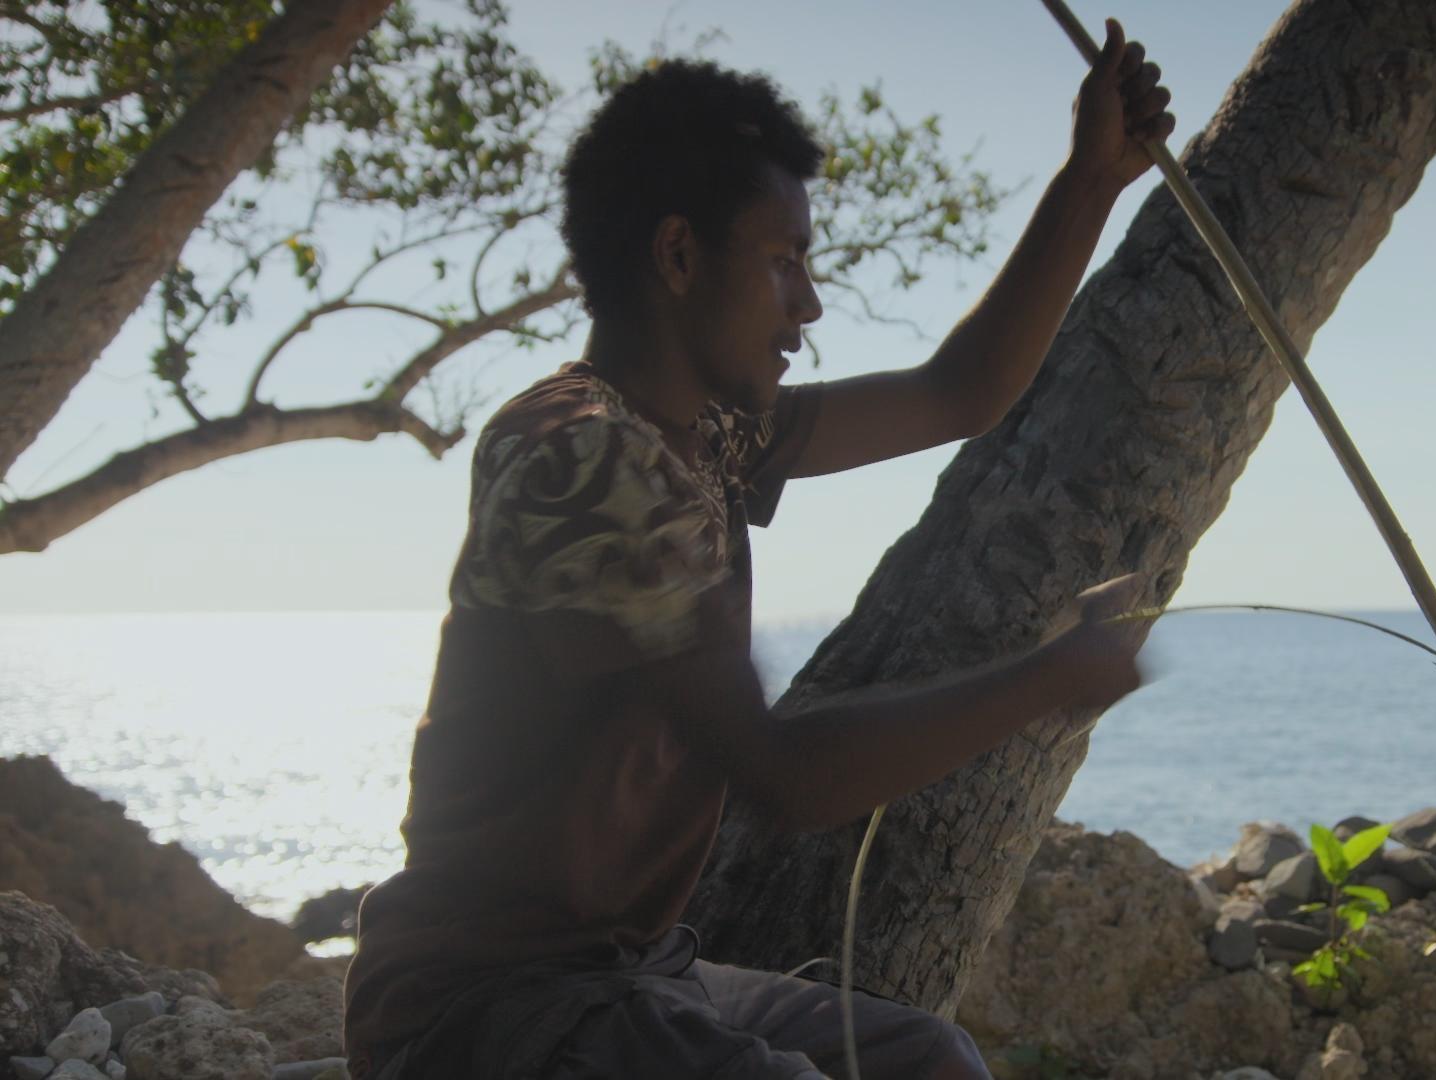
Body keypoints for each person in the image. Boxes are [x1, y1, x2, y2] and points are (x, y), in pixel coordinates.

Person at [342, 19, 1173, 1079]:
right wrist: (1057, 675)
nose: (809, 302)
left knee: (930, 1063)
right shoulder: (581, 460)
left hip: (630, 976)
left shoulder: (707, 434)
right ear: (678, 254)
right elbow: (788, 778)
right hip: (482, 1011)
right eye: (784, 261)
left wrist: (1092, 181)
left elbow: (961, 390)